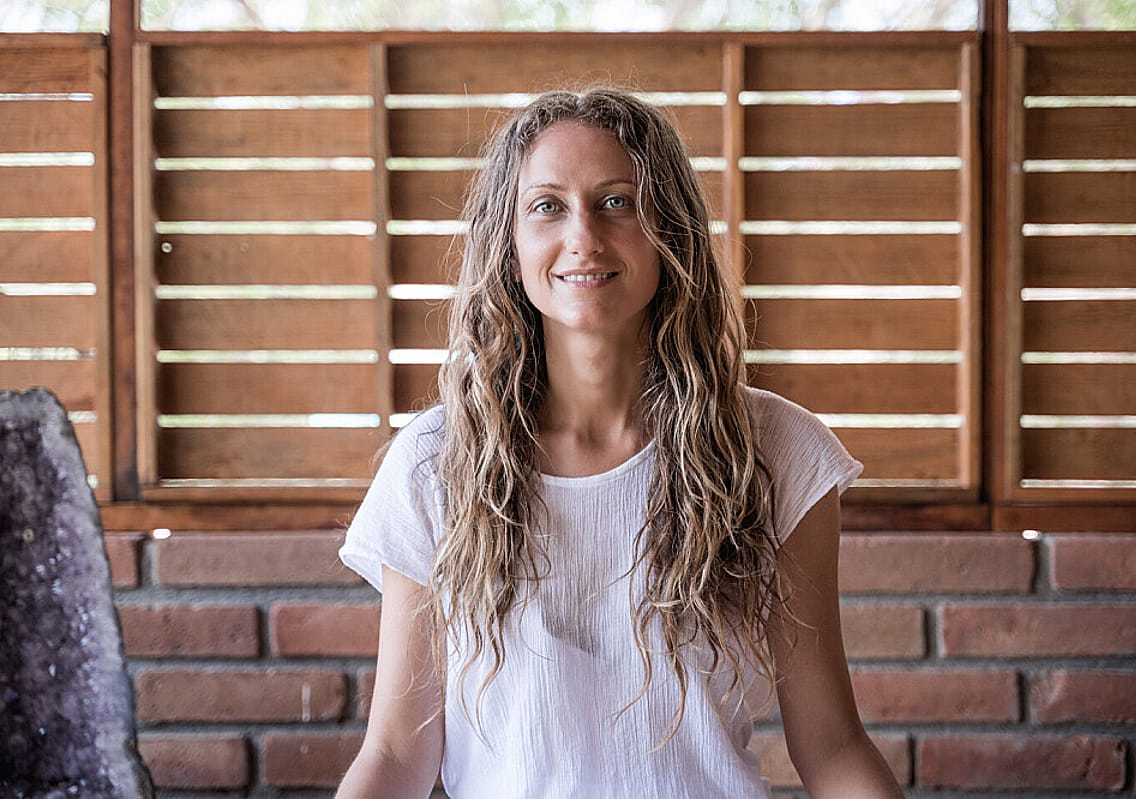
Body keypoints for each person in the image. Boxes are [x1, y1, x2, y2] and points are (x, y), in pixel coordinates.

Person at [335, 87, 904, 799]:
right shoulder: (434, 463)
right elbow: (395, 755)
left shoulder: (775, 451)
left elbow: (832, 745)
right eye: (548, 206)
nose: (584, 236)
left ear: (671, 234)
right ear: (510, 248)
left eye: (617, 201)